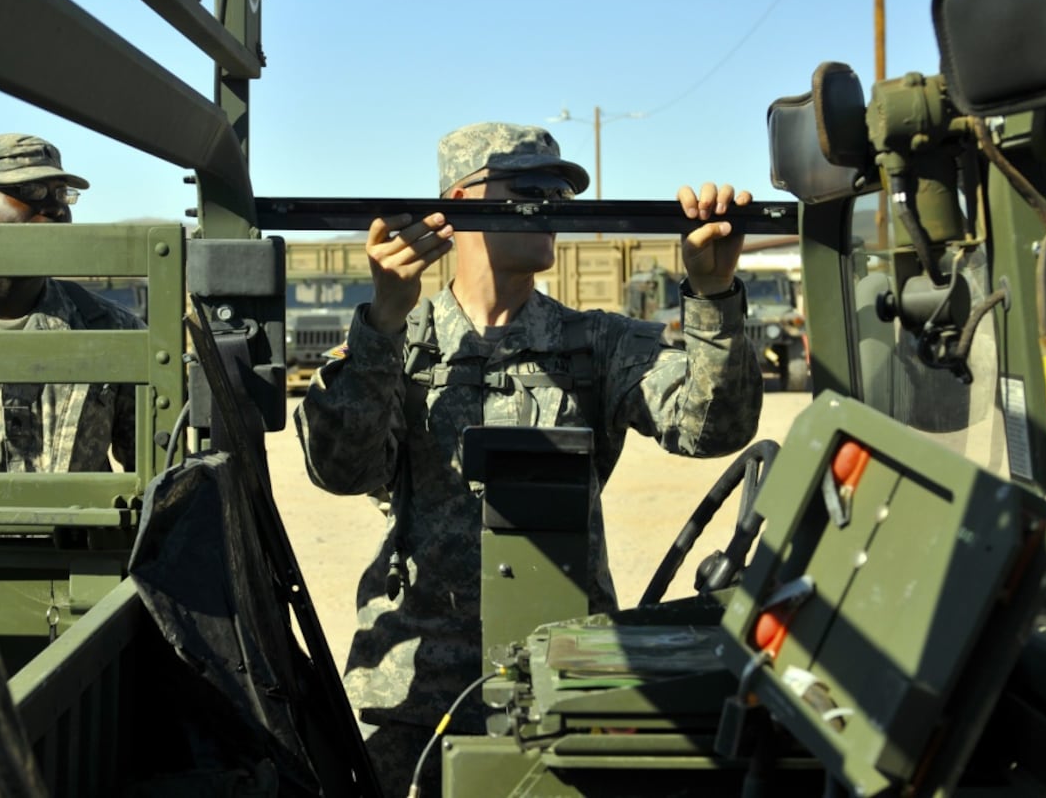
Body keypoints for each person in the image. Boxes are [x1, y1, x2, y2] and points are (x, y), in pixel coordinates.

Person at [298, 121, 763, 794]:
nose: (550, 205)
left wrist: (713, 295)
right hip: (415, 690)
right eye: (528, 187)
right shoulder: (400, 341)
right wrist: (383, 322)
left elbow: (711, 430)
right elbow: (342, 471)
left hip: (564, 680)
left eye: (559, 192)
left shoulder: (597, 342)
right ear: (459, 201)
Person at [0, 133, 146, 473]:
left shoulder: (111, 328)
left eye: (61, 193)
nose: (56, 207)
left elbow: (157, 475)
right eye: (30, 191)